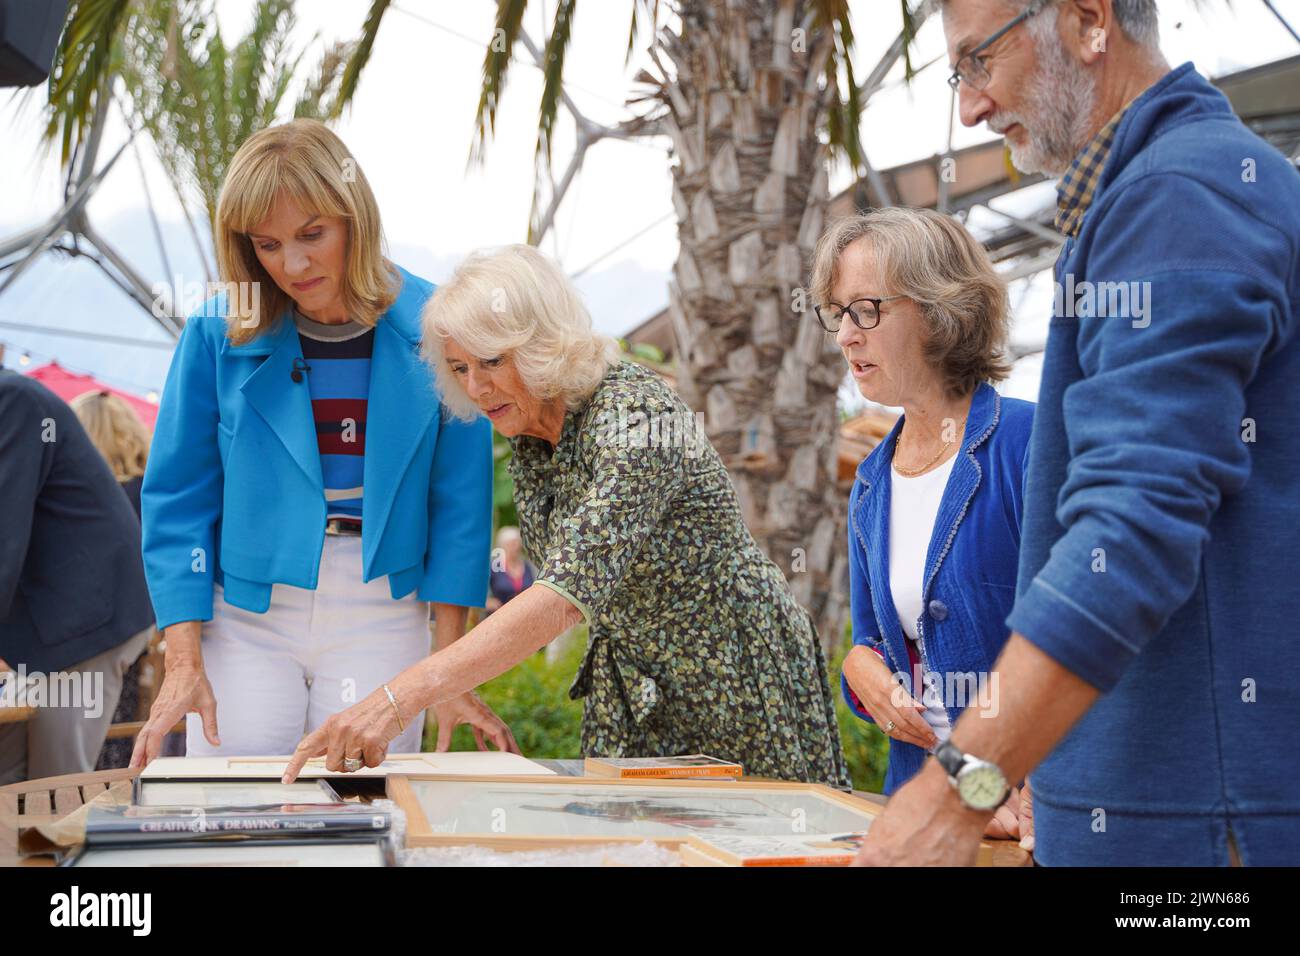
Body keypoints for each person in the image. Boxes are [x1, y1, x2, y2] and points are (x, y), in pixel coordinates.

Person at [858, 0, 1300, 866]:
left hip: (1197, 833)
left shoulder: (1177, 199)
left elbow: (1132, 528)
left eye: (978, 62)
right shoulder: (1167, 192)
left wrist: (954, 792)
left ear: (1089, 20)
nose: (971, 108)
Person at [283, 244, 849, 787]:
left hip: (738, 675)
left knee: (762, 848)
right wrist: (448, 684)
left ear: (542, 342)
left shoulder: (638, 415)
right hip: (635, 683)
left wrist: (398, 698)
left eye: (492, 361)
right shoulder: (532, 434)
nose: (476, 388)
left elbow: (561, 594)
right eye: (459, 368)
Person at [133, 119, 509, 766]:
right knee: (239, 811)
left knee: (362, 804)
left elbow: (461, 512)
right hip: (243, 613)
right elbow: (178, 500)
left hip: (385, 611)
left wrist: (449, 672)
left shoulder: (439, 326)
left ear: (353, 220)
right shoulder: (215, 332)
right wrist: (182, 658)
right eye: (269, 245)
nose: (294, 265)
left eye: (313, 235)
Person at [811, 207, 1035, 840]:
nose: (844, 337)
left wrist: (1015, 790)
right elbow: (876, 643)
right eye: (838, 313)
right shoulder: (872, 482)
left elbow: (1084, 639)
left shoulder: (1028, 443)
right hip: (919, 811)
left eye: (866, 310)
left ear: (941, 310)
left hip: (1020, 823)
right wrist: (860, 671)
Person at [0, 372, 153, 784]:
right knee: (11, 779)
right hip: (48, 628)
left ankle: (63, 848)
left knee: (56, 785)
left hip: (83, 621)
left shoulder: (12, 400)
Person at [69, 390, 158, 768]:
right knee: (124, 715)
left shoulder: (78, 496)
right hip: (143, 625)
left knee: (89, 727)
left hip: (88, 632)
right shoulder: (149, 489)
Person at [486, 526, 535, 613]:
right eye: (511, 544)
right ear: (502, 546)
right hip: (498, 614)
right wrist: (487, 602)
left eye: (517, 543)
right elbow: (480, 588)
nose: (515, 547)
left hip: (524, 613)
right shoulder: (495, 566)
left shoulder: (527, 566)